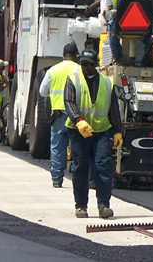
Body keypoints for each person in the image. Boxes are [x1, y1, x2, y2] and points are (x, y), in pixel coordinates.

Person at [63, 48, 123, 219]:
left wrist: (117, 131)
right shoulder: (73, 80)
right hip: (78, 132)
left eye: (89, 64)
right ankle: (81, 206)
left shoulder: (107, 82)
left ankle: (103, 205)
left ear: (96, 65)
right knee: (80, 167)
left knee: (103, 166)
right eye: (82, 64)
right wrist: (78, 120)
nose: (85, 67)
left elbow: (113, 108)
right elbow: (68, 101)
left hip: (101, 131)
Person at [39, 42, 81, 188]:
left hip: (58, 114)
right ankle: (77, 177)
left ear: (63, 56)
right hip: (75, 114)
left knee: (57, 146)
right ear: (76, 55)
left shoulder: (52, 70)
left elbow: (42, 91)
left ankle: (57, 178)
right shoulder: (79, 69)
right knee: (77, 146)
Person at [98, 0, 149, 64]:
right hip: (141, 24)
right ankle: (149, 54)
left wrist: (105, 16)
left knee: (111, 25)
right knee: (148, 33)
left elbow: (105, 9)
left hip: (122, 26)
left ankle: (118, 57)